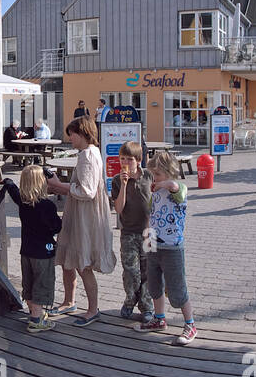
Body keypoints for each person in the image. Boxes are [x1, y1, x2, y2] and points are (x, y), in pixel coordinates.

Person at [53, 115, 114, 321]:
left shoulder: (86, 155)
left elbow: (86, 191)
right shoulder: (93, 152)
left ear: (82, 134)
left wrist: (56, 185)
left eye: (72, 135)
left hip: (84, 216)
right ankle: (69, 301)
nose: (70, 138)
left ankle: (92, 309)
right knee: (70, 258)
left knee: (81, 262)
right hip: (82, 213)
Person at [141, 149, 196, 344]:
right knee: (154, 284)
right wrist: (147, 241)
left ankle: (190, 323)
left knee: (177, 288)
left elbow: (174, 186)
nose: (154, 179)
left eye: (157, 174)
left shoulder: (178, 188)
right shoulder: (156, 193)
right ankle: (159, 318)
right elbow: (151, 215)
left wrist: (162, 183)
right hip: (155, 243)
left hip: (173, 247)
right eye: (153, 174)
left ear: (168, 171)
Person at [8, 164, 63, 331]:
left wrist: (9, 183)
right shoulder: (47, 205)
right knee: (42, 284)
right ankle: (36, 319)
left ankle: (33, 311)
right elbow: (56, 227)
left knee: (29, 283)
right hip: (43, 252)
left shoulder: (23, 202)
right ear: (41, 183)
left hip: (26, 251)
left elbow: (14, 192)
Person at [115, 139, 153, 325]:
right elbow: (118, 208)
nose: (125, 163)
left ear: (138, 160)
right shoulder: (117, 180)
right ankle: (130, 300)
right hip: (128, 232)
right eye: (122, 159)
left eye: (129, 159)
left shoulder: (148, 177)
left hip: (149, 233)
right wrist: (123, 185)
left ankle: (147, 306)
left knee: (148, 271)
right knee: (131, 271)